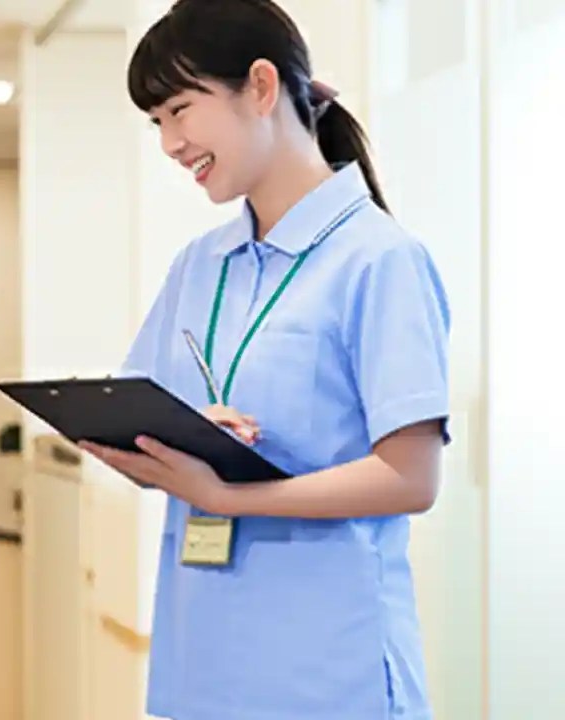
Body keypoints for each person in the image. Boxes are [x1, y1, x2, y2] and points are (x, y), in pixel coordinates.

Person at [83, 2, 450, 719]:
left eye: (180, 110)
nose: (169, 142)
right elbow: (130, 414)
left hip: (326, 673)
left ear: (259, 86)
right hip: (203, 664)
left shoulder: (379, 260)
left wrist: (228, 496)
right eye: (156, 121)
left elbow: (411, 477)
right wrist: (188, 429)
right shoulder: (200, 265)